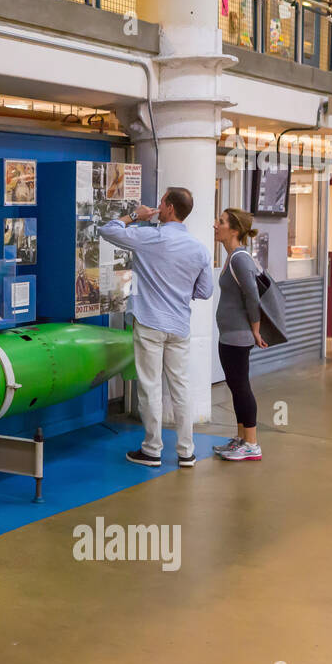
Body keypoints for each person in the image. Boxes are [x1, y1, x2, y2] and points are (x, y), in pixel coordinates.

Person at [100, 187, 213, 469]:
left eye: (161, 202)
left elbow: (107, 229)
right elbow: (206, 290)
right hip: (179, 326)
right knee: (180, 388)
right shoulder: (199, 249)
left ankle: (152, 450)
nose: (157, 205)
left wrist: (134, 216)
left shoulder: (150, 237)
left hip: (150, 323)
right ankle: (187, 452)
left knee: (150, 388)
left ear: (170, 208)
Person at [212, 208, 268, 462]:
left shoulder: (240, 259)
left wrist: (255, 330)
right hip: (229, 334)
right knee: (235, 386)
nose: (216, 225)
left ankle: (252, 444)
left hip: (239, 335)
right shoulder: (232, 256)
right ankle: (242, 438)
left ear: (233, 230)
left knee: (241, 386)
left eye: (221, 222)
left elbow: (252, 296)